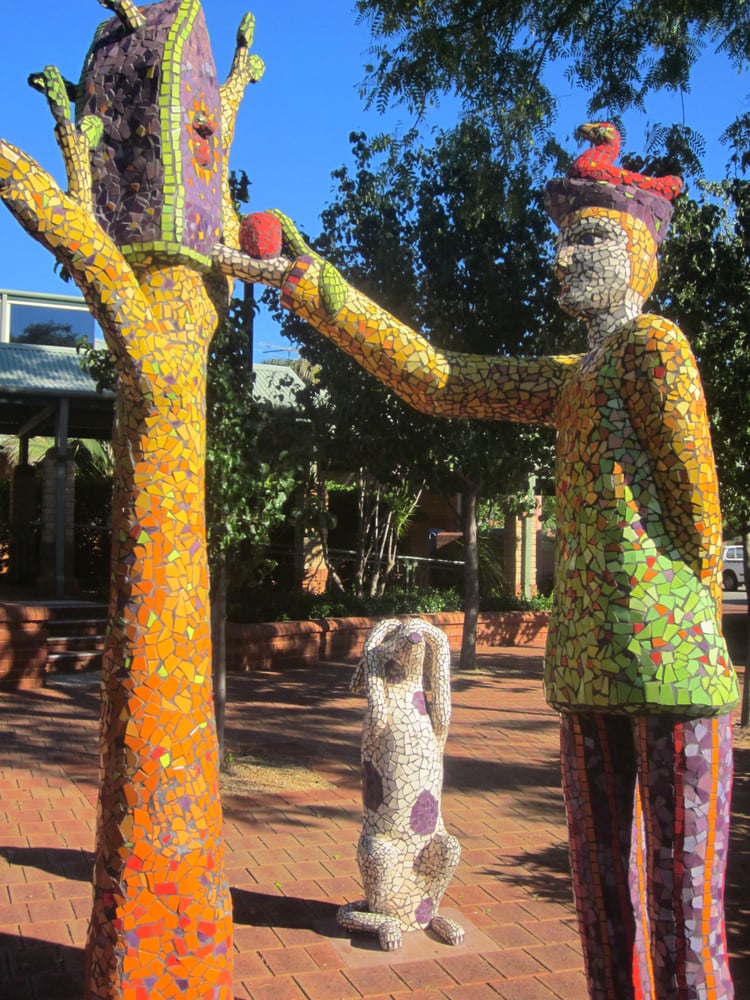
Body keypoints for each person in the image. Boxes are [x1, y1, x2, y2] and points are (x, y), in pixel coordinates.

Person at [223, 123, 739, 999]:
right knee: (608, 907)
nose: (567, 258)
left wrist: (672, 613)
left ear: (643, 254)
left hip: (668, 667)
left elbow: (699, 511)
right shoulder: (571, 376)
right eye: (564, 239)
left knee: (678, 914)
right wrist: (310, 283)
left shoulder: (656, 349)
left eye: (592, 239)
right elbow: (436, 378)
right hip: (589, 667)